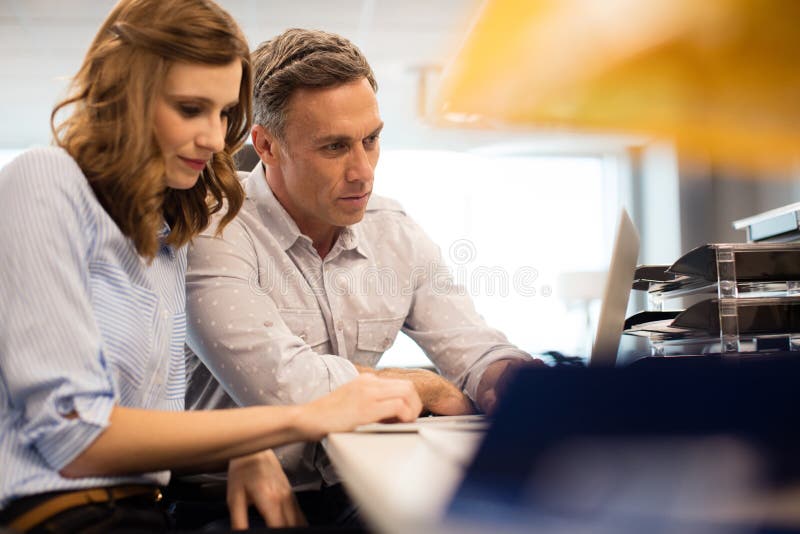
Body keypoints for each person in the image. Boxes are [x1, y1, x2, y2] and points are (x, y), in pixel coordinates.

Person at [0, 4, 421, 533]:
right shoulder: (46, 180)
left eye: (224, 113)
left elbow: (149, 428)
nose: (215, 138)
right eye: (190, 108)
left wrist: (244, 451)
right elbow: (76, 439)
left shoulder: (163, 232)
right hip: (59, 516)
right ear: (124, 97)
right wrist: (299, 417)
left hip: (146, 507)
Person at [183, 27, 536, 512]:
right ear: (265, 146)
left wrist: (507, 378)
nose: (363, 170)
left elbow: (471, 344)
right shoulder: (213, 229)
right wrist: (426, 385)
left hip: (356, 490)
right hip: (229, 503)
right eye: (334, 147)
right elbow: (286, 387)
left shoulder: (393, 230)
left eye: (371, 140)